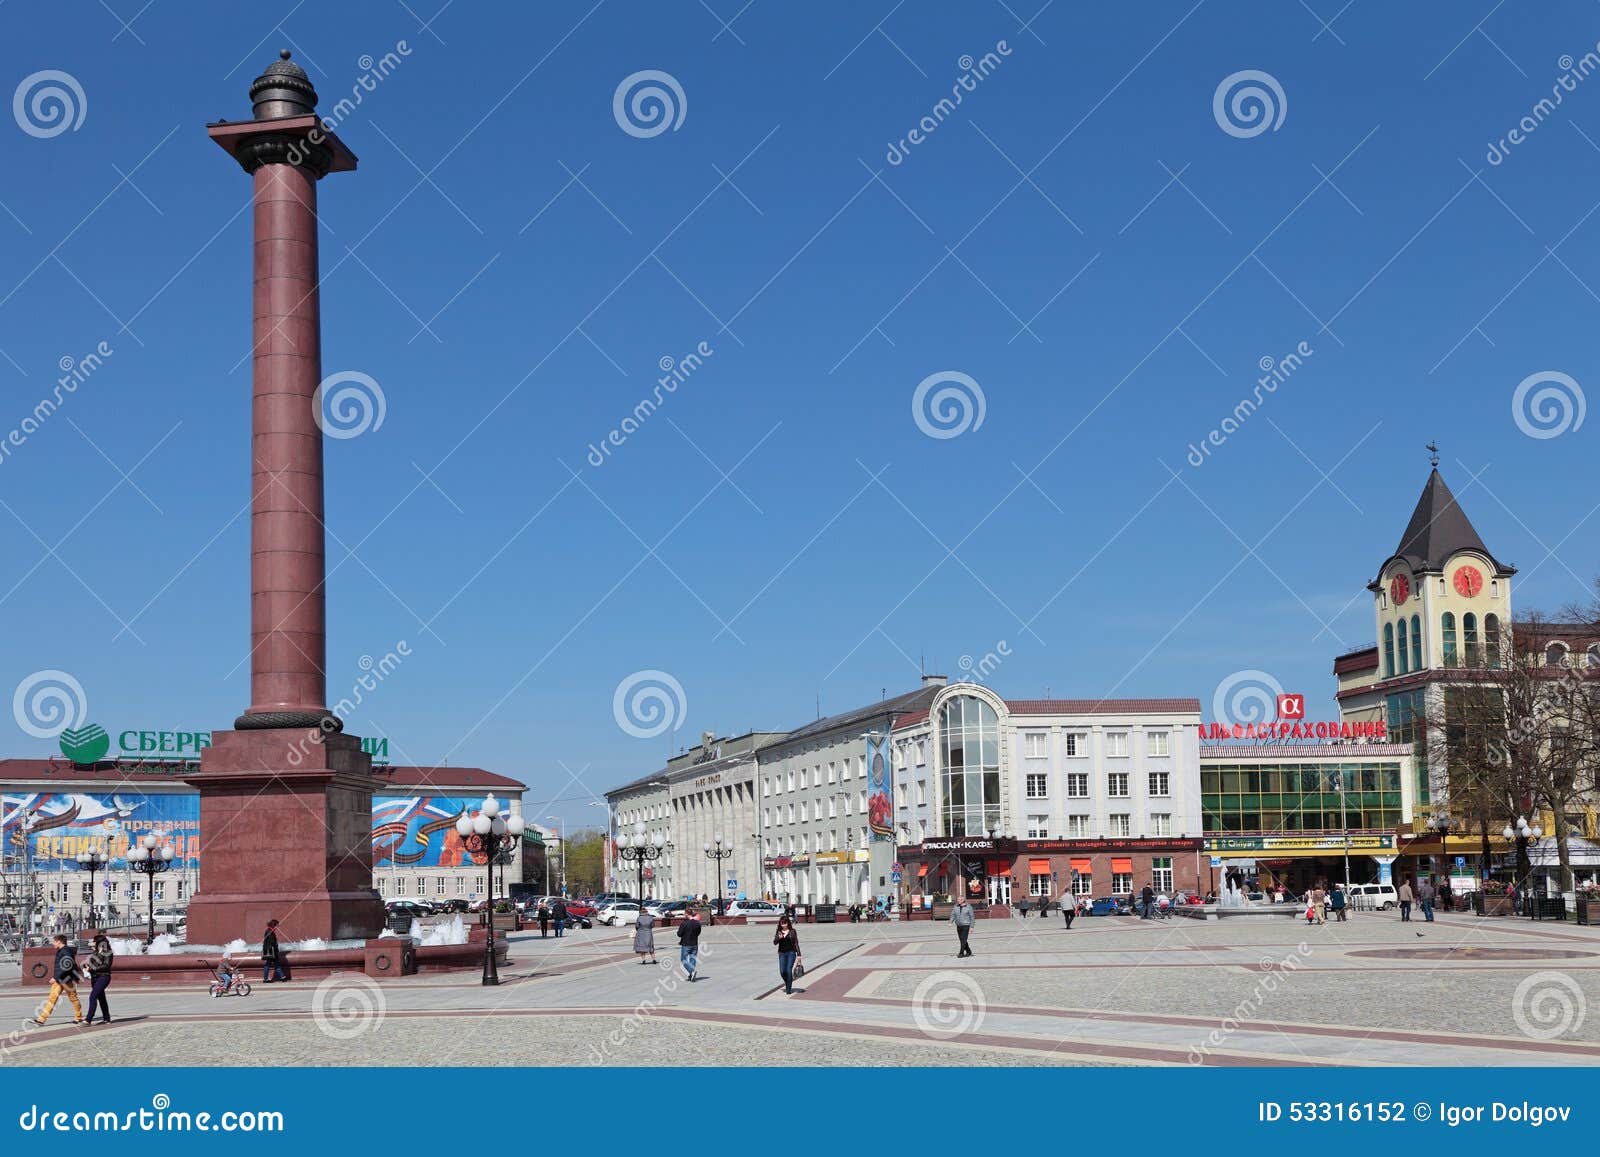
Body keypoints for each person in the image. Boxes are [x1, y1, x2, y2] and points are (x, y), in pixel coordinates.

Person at [32, 933, 83, 1026]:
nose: (53, 944)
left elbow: (67, 966)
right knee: (52, 998)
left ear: (59, 942)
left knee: (73, 998)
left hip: (66, 979)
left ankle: (78, 1017)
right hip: (61, 979)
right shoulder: (62, 950)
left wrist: (56, 977)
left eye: (54, 942)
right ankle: (41, 1019)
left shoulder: (66, 951)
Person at [83, 932, 113, 1025]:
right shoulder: (96, 952)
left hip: (104, 976)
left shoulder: (108, 952)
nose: (93, 943)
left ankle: (88, 1019)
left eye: (94, 941)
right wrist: (87, 966)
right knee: (101, 998)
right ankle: (107, 1018)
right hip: (95, 977)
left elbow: (106, 965)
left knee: (93, 996)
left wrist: (92, 968)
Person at [774, 915, 802, 995]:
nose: (784, 925)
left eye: (785, 923)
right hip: (782, 953)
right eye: (782, 923)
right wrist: (778, 938)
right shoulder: (779, 932)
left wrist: (799, 954)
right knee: (782, 971)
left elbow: (796, 943)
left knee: (788, 970)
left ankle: (788, 989)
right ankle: (788, 982)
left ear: (788, 923)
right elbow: (774, 943)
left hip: (791, 953)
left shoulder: (792, 931)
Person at [677, 907, 702, 981]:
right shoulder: (697, 923)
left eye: (685, 913)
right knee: (692, 959)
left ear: (687, 914)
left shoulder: (684, 923)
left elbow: (679, 934)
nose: (684, 915)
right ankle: (691, 975)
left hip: (686, 944)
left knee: (683, 960)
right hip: (694, 943)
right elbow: (698, 933)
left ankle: (692, 971)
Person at [262, 918, 287, 983]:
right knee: (269, 964)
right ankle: (266, 979)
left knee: (274, 964)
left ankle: (282, 977)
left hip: (270, 951)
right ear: (274, 925)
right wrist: (276, 947)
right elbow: (272, 942)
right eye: (276, 925)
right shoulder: (269, 931)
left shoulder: (269, 930)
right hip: (271, 951)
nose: (277, 927)